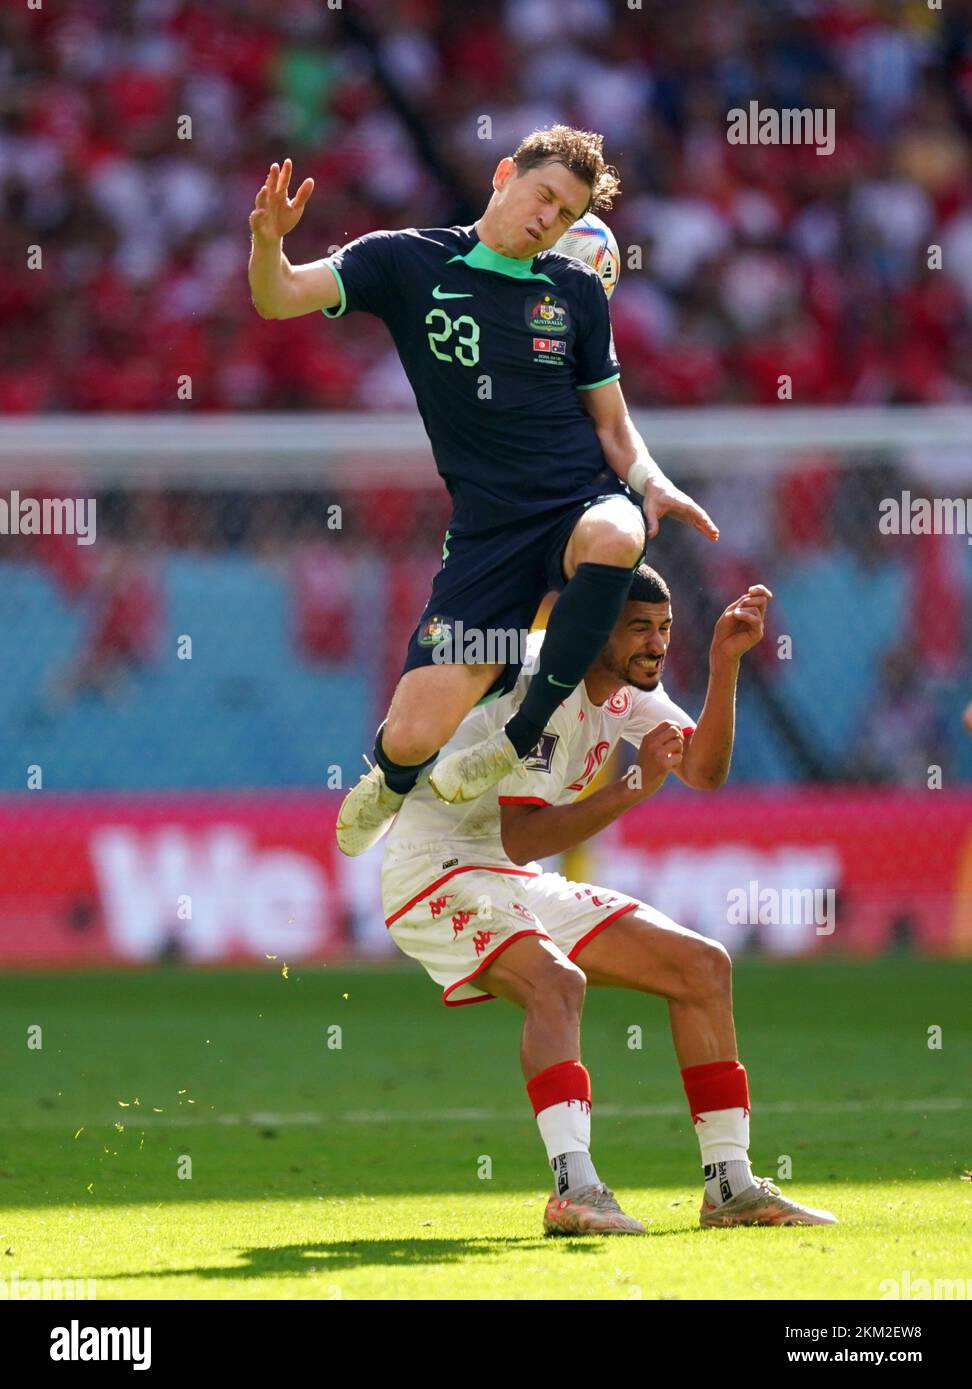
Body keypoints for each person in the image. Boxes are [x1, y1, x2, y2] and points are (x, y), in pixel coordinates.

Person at [247, 126, 718, 857]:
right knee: (410, 736)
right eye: (543, 198)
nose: (547, 221)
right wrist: (267, 245)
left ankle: (518, 738)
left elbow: (614, 422)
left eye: (565, 216)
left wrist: (650, 484)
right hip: (488, 537)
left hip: (576, 505)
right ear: (505, 174)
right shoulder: (403, 260)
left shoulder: (574, 292)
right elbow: (278, 300)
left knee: (620, 534)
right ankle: (393, 781)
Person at [379, 565, 836, 1233]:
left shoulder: (623, 690)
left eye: (665, 630)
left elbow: (703, 771)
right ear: (594, 630)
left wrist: (724, 661)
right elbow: (521, 838)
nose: (655, 644)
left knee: (702, 968)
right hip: (434, 870)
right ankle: (574, 1190)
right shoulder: (541, 688)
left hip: (503, 875)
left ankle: (730, 1187)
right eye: (639, 630)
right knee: (555, 983)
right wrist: (628, 790)